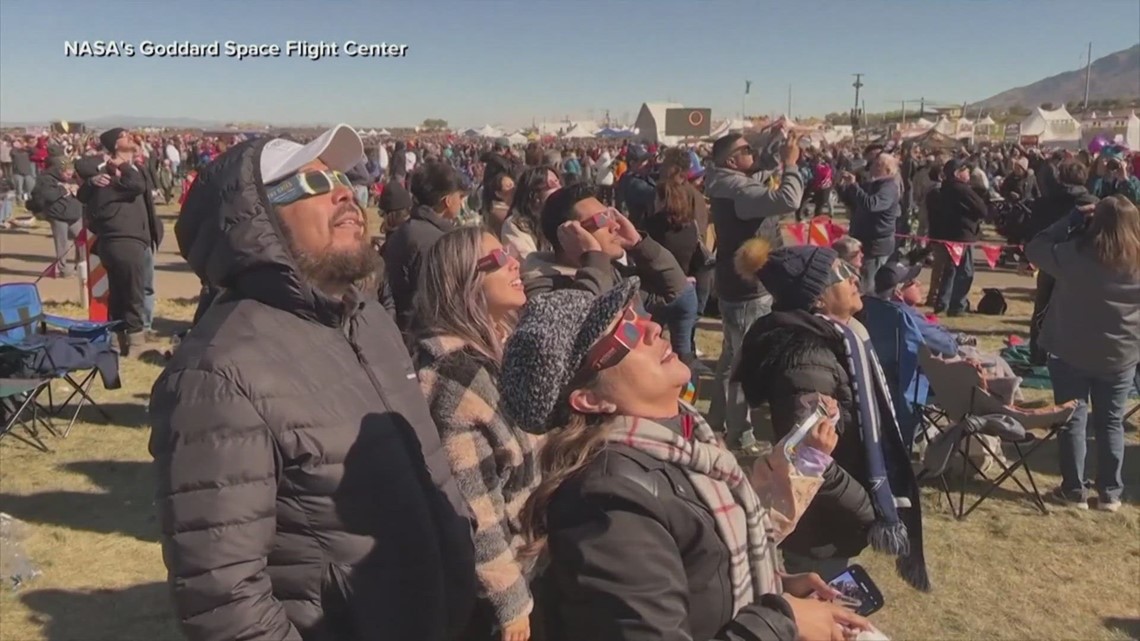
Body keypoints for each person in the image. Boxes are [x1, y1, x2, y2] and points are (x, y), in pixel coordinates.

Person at [149, 125, 477, 641]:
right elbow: (224, 597)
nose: (345, 192)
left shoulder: (366, 317)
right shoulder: (217, 371)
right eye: (311, 184)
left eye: (341, 177)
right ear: (255, 221)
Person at [498, 279, 874, 641]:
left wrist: (773, 587)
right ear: (590, 400)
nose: (651, 328)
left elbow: (696, 574)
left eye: (636, 316)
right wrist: (783, 620)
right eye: (624, 335)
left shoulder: (688, 445)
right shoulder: (607, 502)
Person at [732, 240, 930, 591]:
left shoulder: (839, 342)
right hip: (819, 527)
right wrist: (870, 509)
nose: (855, 277)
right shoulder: (808, 359)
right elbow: (810, 463)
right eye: (841, 273)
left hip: (831, 521)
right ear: (818, 298)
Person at [413, 226, 547, 641]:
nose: (514, 263)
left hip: (531, 559)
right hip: (498, 594)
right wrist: (512, 608)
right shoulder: (455, 378)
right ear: (463, 283)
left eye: (511, 254)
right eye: (496, 260)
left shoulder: (500, 349)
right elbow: (477, 512)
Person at [1026, 195, 1140, 513]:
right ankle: (1110, 493)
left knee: (1073, 421)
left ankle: (1074, 490)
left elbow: (1034, 247)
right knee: (1110, 423)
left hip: (1069, 349)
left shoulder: (1072, 254)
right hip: (1120, 353)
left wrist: (1071, 219)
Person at [704, 129, 804, 452]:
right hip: (749, 292)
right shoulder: (738, 190)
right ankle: (740, 434)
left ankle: (715, 422)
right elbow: (789, 199)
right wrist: (791, 165)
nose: (753, 152)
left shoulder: (725, 181)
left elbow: (760, 169)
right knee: (743, 366)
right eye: (746, 149)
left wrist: (773, 142)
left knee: (731, 359)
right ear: (732, 161)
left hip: (736, 287)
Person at [524, 183, 696, 365]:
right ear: (569, 233)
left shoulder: (610, 271)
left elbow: (676, 288)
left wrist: (639, 244)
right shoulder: (543, 289)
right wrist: (592, 257)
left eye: (611, 216)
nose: (614, 226)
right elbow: (581, 334)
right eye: (601, 220)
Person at [76, 127, 164, 355]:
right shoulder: (110, 174)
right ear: (115, 144)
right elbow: (83, 171)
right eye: (125, 136)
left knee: (123, 291)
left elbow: (145, 185)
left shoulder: (135, 168)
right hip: (122, 239)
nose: (132, 137)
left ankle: (118, 341)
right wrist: (113, 167)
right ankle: (136, 343)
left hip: (139, 239)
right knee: (132, 294)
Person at [1026, 160, 1098, 364]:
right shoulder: (1092, 202)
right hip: (1080, 263)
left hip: (1051, 259)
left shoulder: (1045, 201)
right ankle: (1072, 354)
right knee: (1077, 310)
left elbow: (1036, 230)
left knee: (1042, 307)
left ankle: (1037, 354)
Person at [384, 160, 466, 331]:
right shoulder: (433, 241)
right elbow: (431, 301)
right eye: (461, 197)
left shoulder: (412, 229)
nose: (462, 203)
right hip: (420, 334)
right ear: (448, 200)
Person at [928, 159, 986, 316]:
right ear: (957, 173)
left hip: (947, 234)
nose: (968, 173)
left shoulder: (942, 189)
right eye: (965, 170)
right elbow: (982, 209)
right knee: (965, 271)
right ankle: (957, 305)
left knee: (950, 270)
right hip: (962, 235)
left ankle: (943, 302)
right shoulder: (962, 189)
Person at [838, 153, 902, 291]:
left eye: (877, 164)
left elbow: (871, 205)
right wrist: (842, 186)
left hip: (876, 245)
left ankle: (866, 309)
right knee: (859, 279)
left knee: (868, 285)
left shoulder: (888, 188)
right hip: (864, 241)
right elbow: (854, 201)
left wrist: (854, 186)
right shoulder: (873, 185)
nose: (872, 166)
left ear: (887, 170)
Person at [27, 158, 83, 277]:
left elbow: (82, 188)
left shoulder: (74, 178)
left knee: (82, 241)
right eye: (67, 174)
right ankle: (62, 269)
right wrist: (63, 189)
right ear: (59, 171)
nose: (69, 176)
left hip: (75, 214)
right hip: (58, 216)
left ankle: (81, 265)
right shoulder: (45, 179)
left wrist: (76, 188)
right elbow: (48, 195)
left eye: (71, 174)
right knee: (62, 244)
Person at [500, 166, 560, 259]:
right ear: (534, 196)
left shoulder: (562, 218)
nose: (558, 186)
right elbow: (527, 261)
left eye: (558, 181)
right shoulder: (515, 225)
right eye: (551, 183)